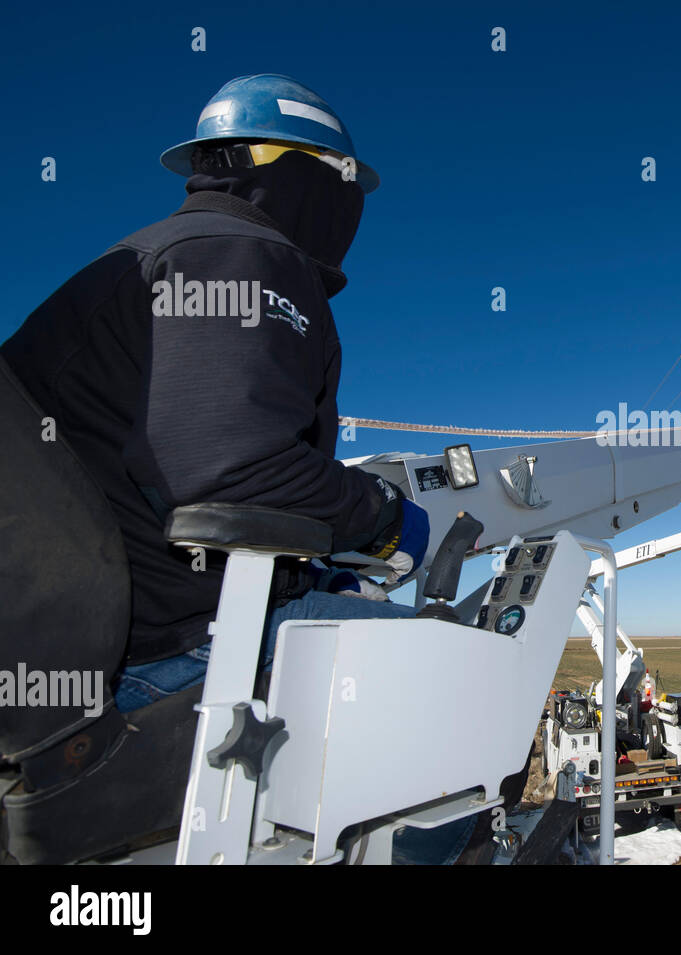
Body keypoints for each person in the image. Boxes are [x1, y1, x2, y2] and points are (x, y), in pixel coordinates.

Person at [1, 74, 429, 713]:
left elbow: (167, 462)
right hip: (170, 648)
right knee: (458, 671)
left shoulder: (157, 255)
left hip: (80, 648)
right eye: (346, 182)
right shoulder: (242, 255)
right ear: (309, 175)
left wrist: (305, 570)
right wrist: (385, 516)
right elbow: (236, 472)